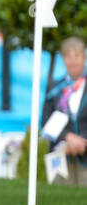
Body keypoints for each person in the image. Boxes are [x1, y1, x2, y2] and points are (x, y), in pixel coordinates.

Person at [42, 36, 87, 186]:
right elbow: (46, 120)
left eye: (77, 56)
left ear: (84, 57)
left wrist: (82, 143)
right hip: (62, 157)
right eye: (68, 56)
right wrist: (68, 138)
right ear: (63, 59)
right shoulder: (55, 88)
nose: (73, 61)